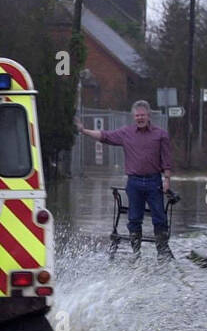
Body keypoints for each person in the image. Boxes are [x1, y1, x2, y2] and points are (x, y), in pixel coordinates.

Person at [74, 101, 174, 258]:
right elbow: (104, 136)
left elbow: (166, 159)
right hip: (134, 183)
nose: (140, 118)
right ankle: (136, 253)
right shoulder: (126, 133)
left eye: (142, 115)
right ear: (134, 117)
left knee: (159, 217)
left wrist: (167, 179)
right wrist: (84, 131)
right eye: (137, 115)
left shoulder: (161, 135)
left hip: (154, 182)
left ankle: (163, 252)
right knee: (134, 218)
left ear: (149, 116)